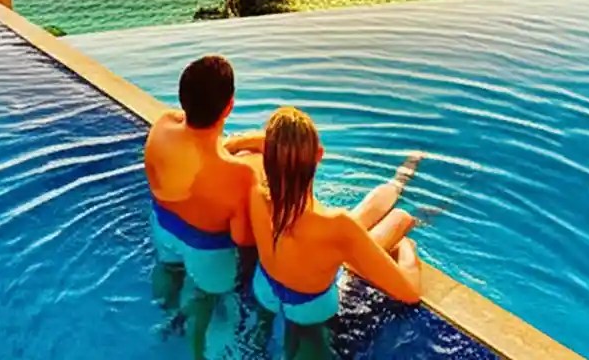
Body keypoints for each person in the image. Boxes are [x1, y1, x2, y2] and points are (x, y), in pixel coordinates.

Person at [248, 106, 422, 357]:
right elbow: (409, 293)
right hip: (310, 310)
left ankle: (397, 182)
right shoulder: (337, 226)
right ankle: (400, 182)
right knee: (401, 219)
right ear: (319, 155)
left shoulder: (255, 192)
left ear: (268, 157)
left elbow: (255, 146)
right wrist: (407, 249)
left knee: (360, 222)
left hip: (265, 289)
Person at [144, 55, 263, 356]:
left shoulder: (161, 127)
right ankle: (197, 347)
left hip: (164, 227)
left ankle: (167, 316)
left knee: (168, 271)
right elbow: (243, 239)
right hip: (207, 253)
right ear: (229, 106)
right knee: (206, 297)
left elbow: (198, 146)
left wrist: (231, 145)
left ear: (182, 98)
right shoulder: (238, 174)